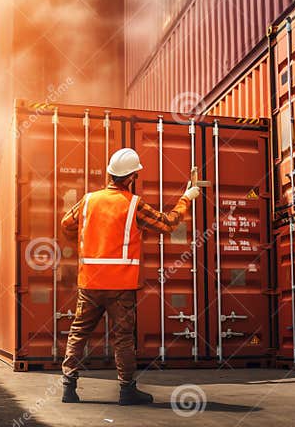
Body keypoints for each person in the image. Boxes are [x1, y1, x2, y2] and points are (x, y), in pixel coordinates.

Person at [59, 147, 200, 405]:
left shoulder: (88, 200)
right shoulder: (134, 204)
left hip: (89, 282)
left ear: (110, 173)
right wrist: (187, 197)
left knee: (78, 333)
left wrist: (85, 241)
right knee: (123, 338)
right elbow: (167, 224)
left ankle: (68, 388)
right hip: (121, 286)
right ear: (132, 177)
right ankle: (126, 391)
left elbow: (66, 224)